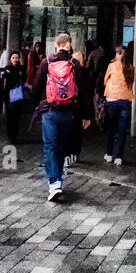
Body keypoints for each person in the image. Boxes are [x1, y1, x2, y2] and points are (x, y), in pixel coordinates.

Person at [30, 33, 90, 202]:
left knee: (50, 146)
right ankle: (58, 174)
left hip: (50, 111)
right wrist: (86, 115)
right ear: (69, 46)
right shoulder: (75, 64)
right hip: (69, 113)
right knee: (62, 146)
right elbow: (84, 92)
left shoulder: (46, 63)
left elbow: (35, 90)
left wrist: (37, 106)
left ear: (56, 45)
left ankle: (54, 184)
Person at [101, 44, 134, 167]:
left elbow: (105, 81)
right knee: (122, 129)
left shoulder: (111, 66)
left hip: (112, 99)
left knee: (111, 128)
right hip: (125, 100)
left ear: (117, 54)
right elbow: (131, 82)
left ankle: (109, 154)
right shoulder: (131, 68)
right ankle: (119, 157)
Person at [0, 50, 27, 143]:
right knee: (9, 116)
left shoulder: (22, 68)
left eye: (17, 58)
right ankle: (10, 136)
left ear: (19, 59)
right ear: (10, 59)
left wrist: (15, 74)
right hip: (8, 95)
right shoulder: (7, 67)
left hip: (18, 95)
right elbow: (7, 77)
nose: (15, 59)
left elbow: (24, 78)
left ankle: (15, 136)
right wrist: (16, 74)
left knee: (17, 116)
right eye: (13, 58)